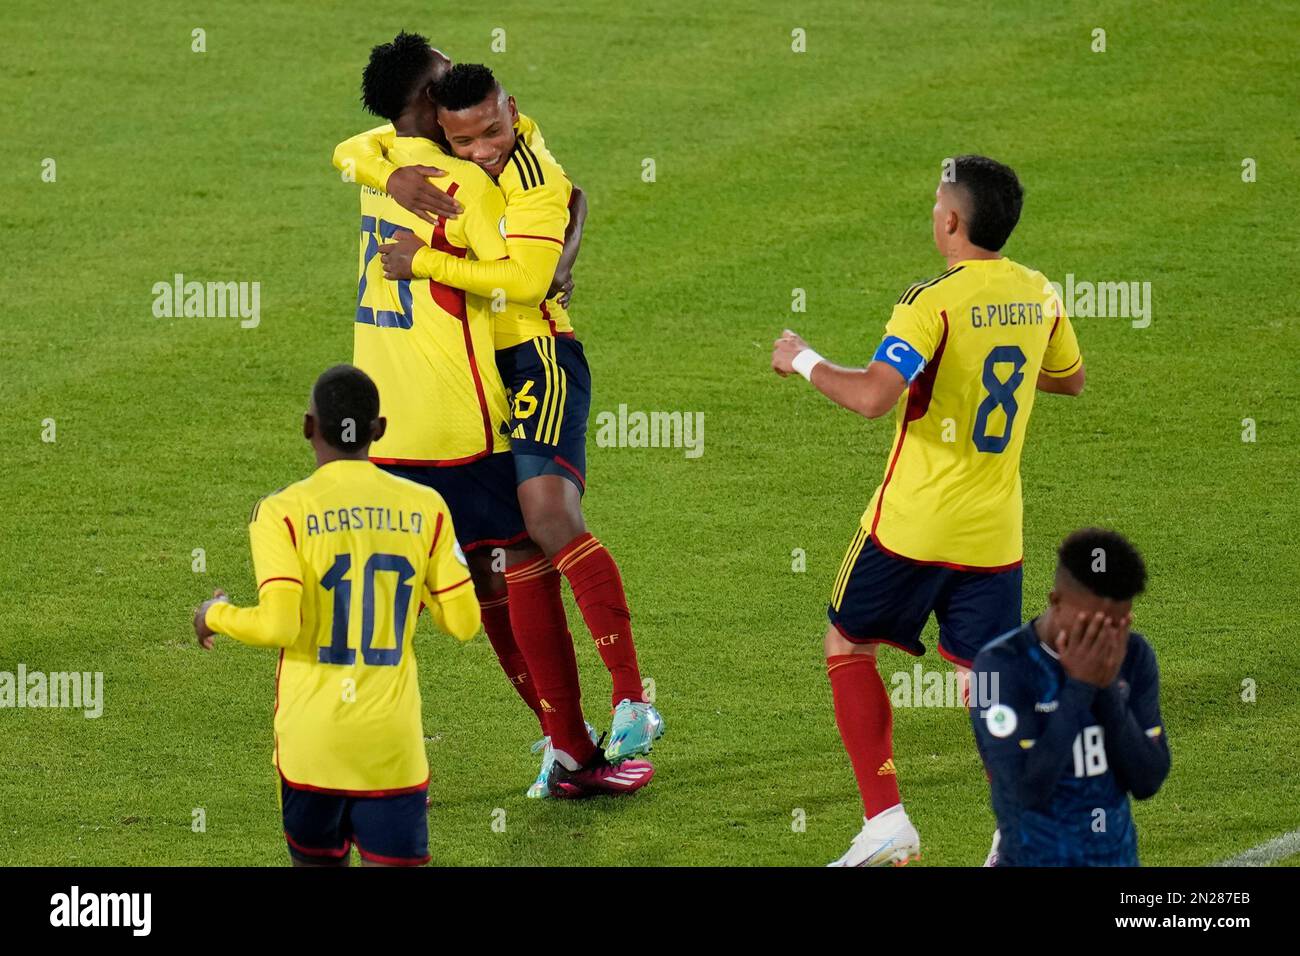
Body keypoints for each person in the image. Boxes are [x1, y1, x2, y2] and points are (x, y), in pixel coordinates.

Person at [344, 34, 650, 798]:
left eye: (487, 121)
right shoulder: (424, 171)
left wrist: (558, 255)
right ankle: (575, 745)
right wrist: (395, 174)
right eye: (444, 86)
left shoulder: (434, 161)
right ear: (423, 112)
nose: (467, 111)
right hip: (450, 401)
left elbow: (549, 219)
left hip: (451, 389)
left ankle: (613, 715)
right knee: (508, 563)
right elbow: (354, 148)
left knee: (520, 540)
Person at [771, 155, 1085, 866]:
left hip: (910, 527)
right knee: (985, 678)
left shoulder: (930, 301)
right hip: (993, 534)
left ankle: (886, 823)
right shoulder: (1039, 293)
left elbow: (873, 396)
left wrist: (803, 358)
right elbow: (1069, 378)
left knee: (846, 645)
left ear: (950, 220)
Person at [192, 364, 480, 866]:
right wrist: (424, 591)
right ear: (379, 430)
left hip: (312, 748)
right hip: (391, 749)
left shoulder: (281, 511)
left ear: (309, 427)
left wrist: (215, 614)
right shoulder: (427, 507)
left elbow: (279, 625)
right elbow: (463, 623)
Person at [970, 528, 1169, 866]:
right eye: (1092, 623)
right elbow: (1026, 791)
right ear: (1056, 602)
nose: (1103, 636)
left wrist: (1106, 690)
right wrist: (1080, 688)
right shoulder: (999, 668)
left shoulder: (1133, 656)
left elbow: (1147, 779)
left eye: (1117, 624)